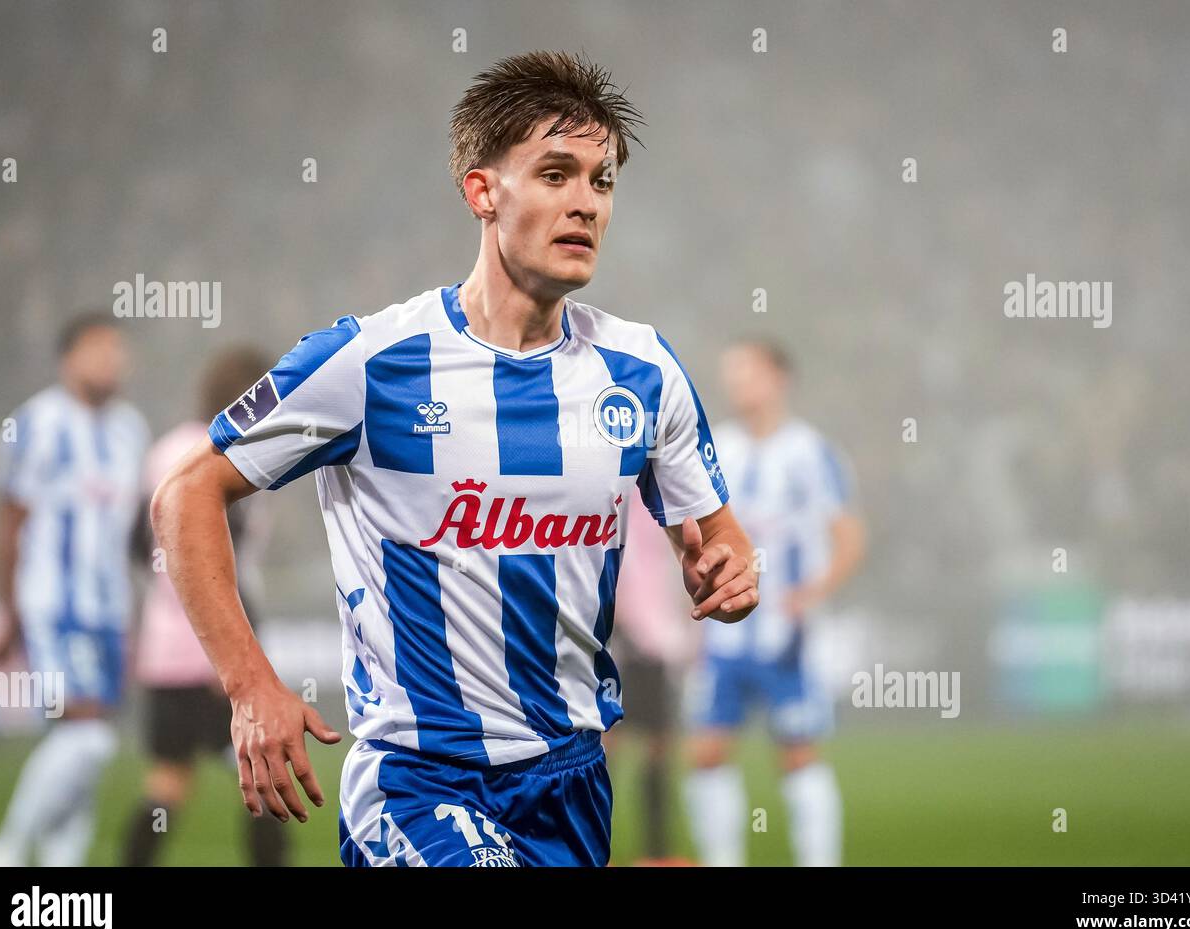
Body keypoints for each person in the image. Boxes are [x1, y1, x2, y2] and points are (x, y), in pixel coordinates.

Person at [150, 50, 759, 867]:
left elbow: (721, 541)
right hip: (419, 780)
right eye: (555, 173)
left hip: (572, 782)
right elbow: (185, 494)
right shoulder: (370, 363)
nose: (585, 203)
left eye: (602, 182)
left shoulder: (643, 373)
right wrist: (250, 683)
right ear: (482, 192)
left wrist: (730, 573)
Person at [0, 311, 149, 866]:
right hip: (52, 603)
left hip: (110, 611)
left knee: (89, 747)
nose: (112, 360)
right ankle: (7, 849)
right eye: (99, 349)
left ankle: (60, 867)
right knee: (86, 737)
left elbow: (135, 534)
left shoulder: (131, 430)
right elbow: (10, 525)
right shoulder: (36, 422)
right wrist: (9, 613)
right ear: (68, 359)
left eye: (117, 350)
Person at [685, 339, 865, 867]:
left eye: (747, 372)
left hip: (787, 637)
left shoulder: (812, 452)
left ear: (778, 378)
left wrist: (810, 594)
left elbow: (849, 535)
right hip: (725, 633)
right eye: (731, 374)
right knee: (707, 753)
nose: (737, 384)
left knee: (798, 754)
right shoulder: (715, 448)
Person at [121, 346, 288, 866]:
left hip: (166, 652)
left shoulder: (167, 448)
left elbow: (134, 543)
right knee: (267, 779)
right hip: (217, 650)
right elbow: (222, 561)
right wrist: (233, 650)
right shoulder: (228, 455)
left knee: (168, 783)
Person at [605, 498, 698, 865]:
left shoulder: (669, 500)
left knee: (657, 745)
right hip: (624, 638)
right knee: (606, 742)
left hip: (659, 641)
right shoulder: (619, 491)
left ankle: (656, 852)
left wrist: (686, 633)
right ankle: (594, 848)